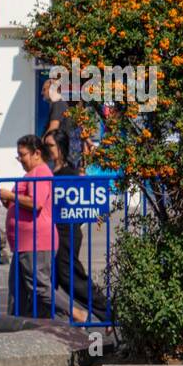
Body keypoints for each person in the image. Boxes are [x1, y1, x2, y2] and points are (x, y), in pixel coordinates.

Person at [44, 129, 111, 323]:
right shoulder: (48, 171)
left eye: (50, 146)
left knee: (69, 277)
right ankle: (48, 320)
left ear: (61, 148)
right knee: (50, 278)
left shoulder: (69, 173)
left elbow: (81, 205)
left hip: (66, 232)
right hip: (51, 231)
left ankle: (107, 312)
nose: (47, 150)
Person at [0, 135, 56, 318]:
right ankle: (16, 328)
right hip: (23, 243)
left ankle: (76, 315)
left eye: (22, 155)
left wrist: (10, 195)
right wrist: (7, 200)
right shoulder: (30, 174)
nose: (20, 159)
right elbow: (22, 203)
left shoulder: (41, 172)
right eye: (18, 155)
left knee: (40, 287)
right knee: (17, 290)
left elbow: (36, 203)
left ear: (37, 153)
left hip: (35, 240)